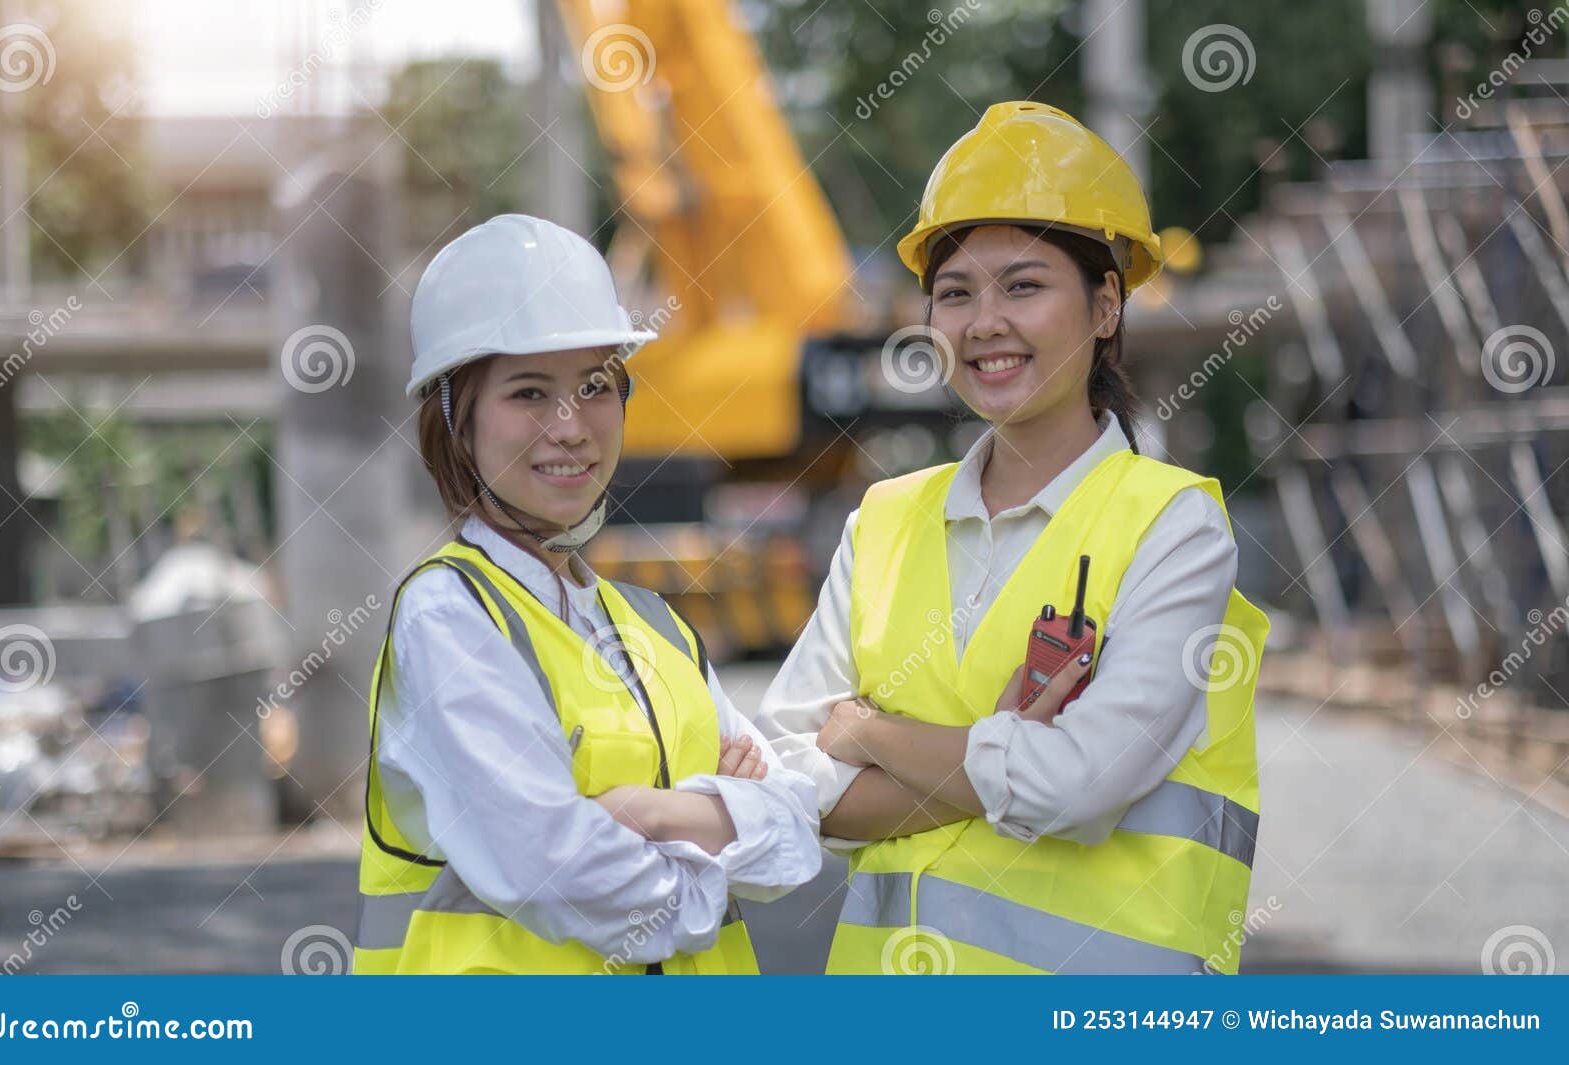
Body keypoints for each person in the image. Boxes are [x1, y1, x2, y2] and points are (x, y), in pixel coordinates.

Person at [756, 102, 1271, 974]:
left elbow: (1079, 785)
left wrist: (871, 734)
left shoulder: (1173, 525)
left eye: (1024, 285)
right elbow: (782, 787)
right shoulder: (880, 519)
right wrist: (999, 759)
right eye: (955, 293)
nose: (984, 321)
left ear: (1106, 304)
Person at [353, 214, 822, 975]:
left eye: (596, 386)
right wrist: (721, 827)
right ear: (455, 418)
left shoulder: (657, 626)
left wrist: (646, 812)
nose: (571, 426)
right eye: (530, 392)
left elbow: (799, 825)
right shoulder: (450, 613)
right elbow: (555, 865)